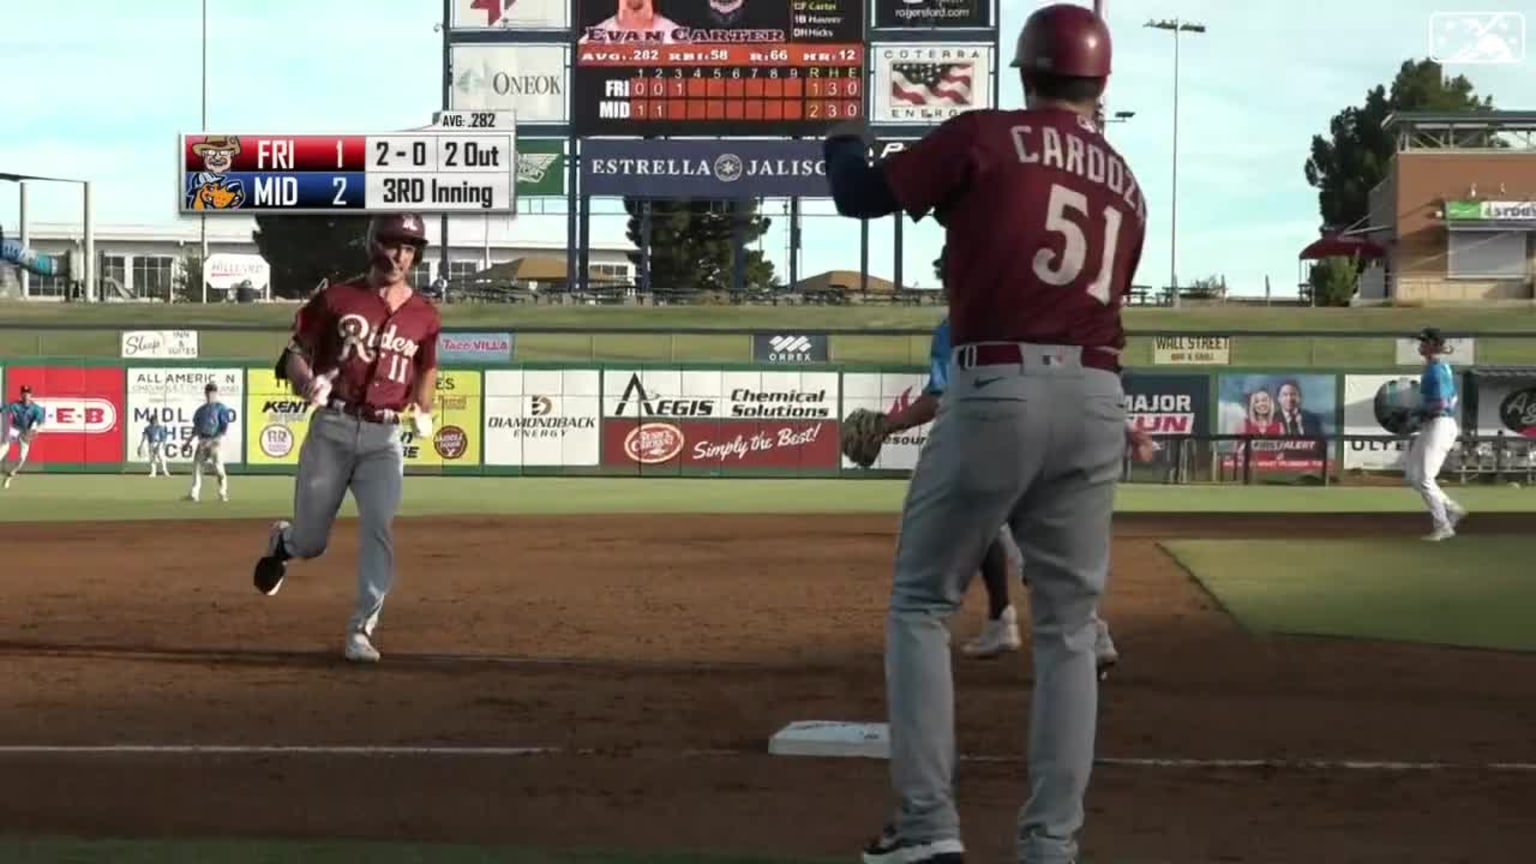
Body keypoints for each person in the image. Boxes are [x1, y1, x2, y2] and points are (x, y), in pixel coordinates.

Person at [822, 5, 1148, 863]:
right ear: (1100, 82)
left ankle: (928, 827)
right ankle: (1052, 845)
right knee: (1072, 629)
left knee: (922, 603)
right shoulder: (1124, 180)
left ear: (1025, 70)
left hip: (999, 383)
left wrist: (840, 141)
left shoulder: (987, 134)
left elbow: (861, 196)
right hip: (1097, 395)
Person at [881, 249, 1121, 670]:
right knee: (1031, 535)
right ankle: (1019, 621)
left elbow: (938, 397)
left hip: (989, 433)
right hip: (1074, 422)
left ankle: (1044, 625)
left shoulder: (955, 327)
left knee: (930, 577)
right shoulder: (1039, 312)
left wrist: (889, 426)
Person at [251, 213, 443, 664]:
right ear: (374, 245)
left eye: (410, 248)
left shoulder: (425, 315)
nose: (400, 255)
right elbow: (293, 353)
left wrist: (425, 406)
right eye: (394, 244)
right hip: (333, 430)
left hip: (385, 437)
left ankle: (361, 630)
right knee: (312, 542)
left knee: (379, 529)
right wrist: (304, 382)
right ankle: (286, 543)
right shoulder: (337, 298)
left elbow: (427, 367)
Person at [1405, 326, 1467, 541]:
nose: (1420, 345)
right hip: (1435, 424)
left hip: (1440, 423)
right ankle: (1451, 508)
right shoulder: (1437, 367)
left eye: (1423, 341)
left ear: (1433, 344)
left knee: (1424, 479)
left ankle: (1443, 526)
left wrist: (1416, 412)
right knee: (1413, 477)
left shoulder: (1436, 369)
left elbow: (1441, 403)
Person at [186, 382, 235, 502]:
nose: (210, 394)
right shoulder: (200, 411)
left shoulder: (221, 408)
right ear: (205, 393)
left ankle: (222, 492)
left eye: (213, 392)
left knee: (218, 468)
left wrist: (218, 439)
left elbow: (224, 426)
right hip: (203, 440)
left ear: (216, 393)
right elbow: (196, 428)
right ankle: (194, 494)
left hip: (216, 440)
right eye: (208, 392)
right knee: (197, 467)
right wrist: (188, 442)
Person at [0, 385, 44, 489]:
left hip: (26, 433)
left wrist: (35, 430)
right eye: (24, 393)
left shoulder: (36, 409)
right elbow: (2, 408)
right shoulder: (15, 405)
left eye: (28, 393)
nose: (26, 395)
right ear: (21, 394)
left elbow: (40, 423)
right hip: (15, 429)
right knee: (4, 446)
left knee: (21, 459)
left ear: (31, 395)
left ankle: (10, 476)